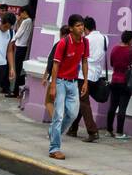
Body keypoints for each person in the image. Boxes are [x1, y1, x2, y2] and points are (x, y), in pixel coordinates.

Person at [47, 14, 89, 160]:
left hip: (73, 83)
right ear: (71, 28)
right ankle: (54, 148)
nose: (81, 28)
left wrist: (85, 81)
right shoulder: (63, 43)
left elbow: (84, 61)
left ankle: (53, 133)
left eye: (82, 25)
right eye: (78, 26)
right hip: (60, 82)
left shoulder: (85, 42)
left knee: (72, 114)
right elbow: (55, 64)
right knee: (58, 115)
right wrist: (53, 85)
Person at [67, 16, 107, 142]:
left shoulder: (85, 40)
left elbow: (81, 57)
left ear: (85, 28)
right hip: (97, 74)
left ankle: (92, 131)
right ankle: (73, 129)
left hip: (83, 74)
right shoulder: (105, 38)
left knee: (84, 103)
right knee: (81, 102)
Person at [106, 29, 132, 140]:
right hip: (126, 81)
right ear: (130, 40)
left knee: (112, 107)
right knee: (122, 108)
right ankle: (119, 132)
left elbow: (112, 63)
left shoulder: (114, 49)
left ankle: (109, 130)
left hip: (114, 80)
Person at [43, 25, 70, 121]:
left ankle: (57, 122)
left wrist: (45, 77)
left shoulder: (59, 44)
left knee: (48, 102)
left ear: (62, 34)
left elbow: (51, 62)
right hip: (68, 80)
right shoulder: (73, 46)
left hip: (56, 78)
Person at [9, 3, 33, 98]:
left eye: (20, 13)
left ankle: (15, 91)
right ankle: (17, 90)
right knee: (20, 69)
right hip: (23, 46)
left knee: (18, 69)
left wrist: (11, 41)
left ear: (24, 12)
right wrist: (18, 22)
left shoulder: (26, 21)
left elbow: (18, 33)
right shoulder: (29, 21)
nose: (19, 15)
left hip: (20, 46)